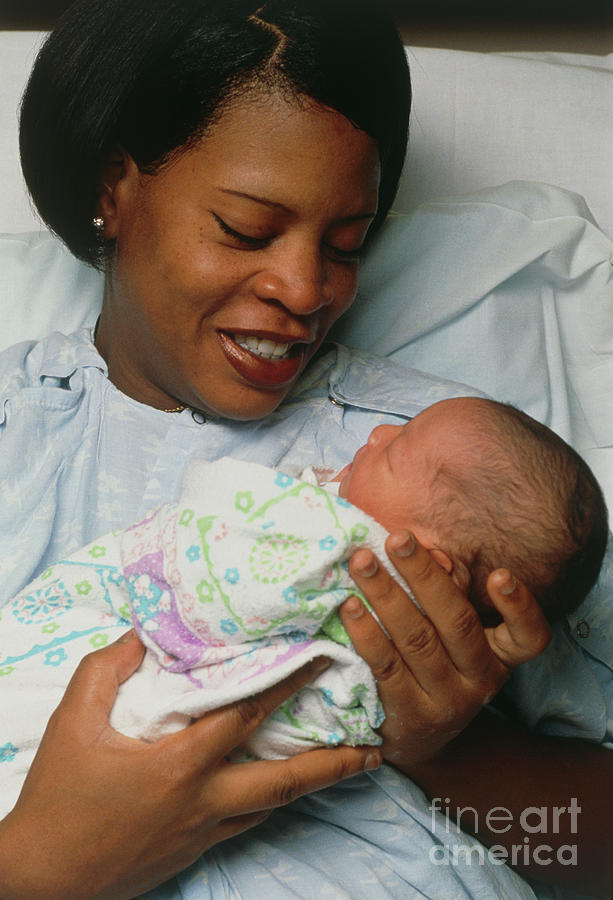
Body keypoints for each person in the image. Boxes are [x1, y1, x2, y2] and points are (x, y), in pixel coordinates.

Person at [0, 0, 609, 897]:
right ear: (111, 191)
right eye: (245, 230)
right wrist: (38, 866)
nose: (304, 288)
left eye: (347, 244)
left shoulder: (455, 457)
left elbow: (587, 855)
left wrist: (453, 748)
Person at [0, 396, 607, 820]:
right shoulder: (26, 406)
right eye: (244, 231)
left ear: (426, 560)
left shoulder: (357, 558)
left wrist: (438, 744)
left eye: (395, 453)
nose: (376, 435)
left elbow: (219, 569)